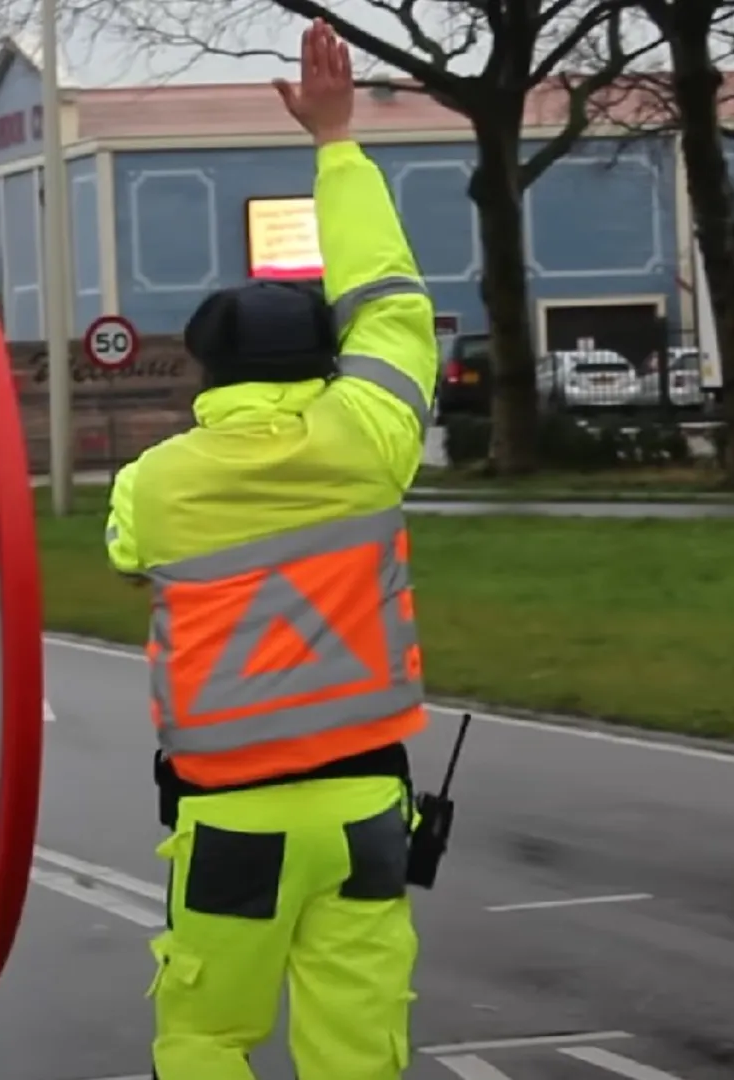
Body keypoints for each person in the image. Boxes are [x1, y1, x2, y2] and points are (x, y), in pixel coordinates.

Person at [102, 18, 438, 1080]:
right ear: (327, 357)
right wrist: (336, 141)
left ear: (206, 372)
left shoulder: (157, 485)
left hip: (233, 814)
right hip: (367, 809)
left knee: (205, 1035)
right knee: (356, 1048)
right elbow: (391, 297)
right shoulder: (374, 437)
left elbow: (124, 554)